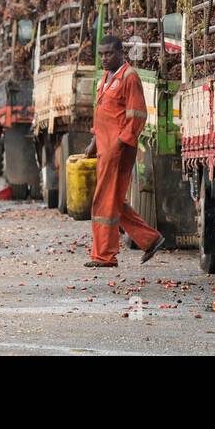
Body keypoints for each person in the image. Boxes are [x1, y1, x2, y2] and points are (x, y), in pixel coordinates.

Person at [83, 35, 164, 268]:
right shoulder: (105, 79)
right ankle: (150, 239)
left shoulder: (129, 77)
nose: (104, 58)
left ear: (121, 53)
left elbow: (137, 115)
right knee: (114, 200)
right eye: (101, 54)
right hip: (105, 148)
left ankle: (104, 256)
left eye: (109, 53)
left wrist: (119, 145)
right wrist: (94, 142)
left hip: (117, 151)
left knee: (103, 201)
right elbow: (104, 115)